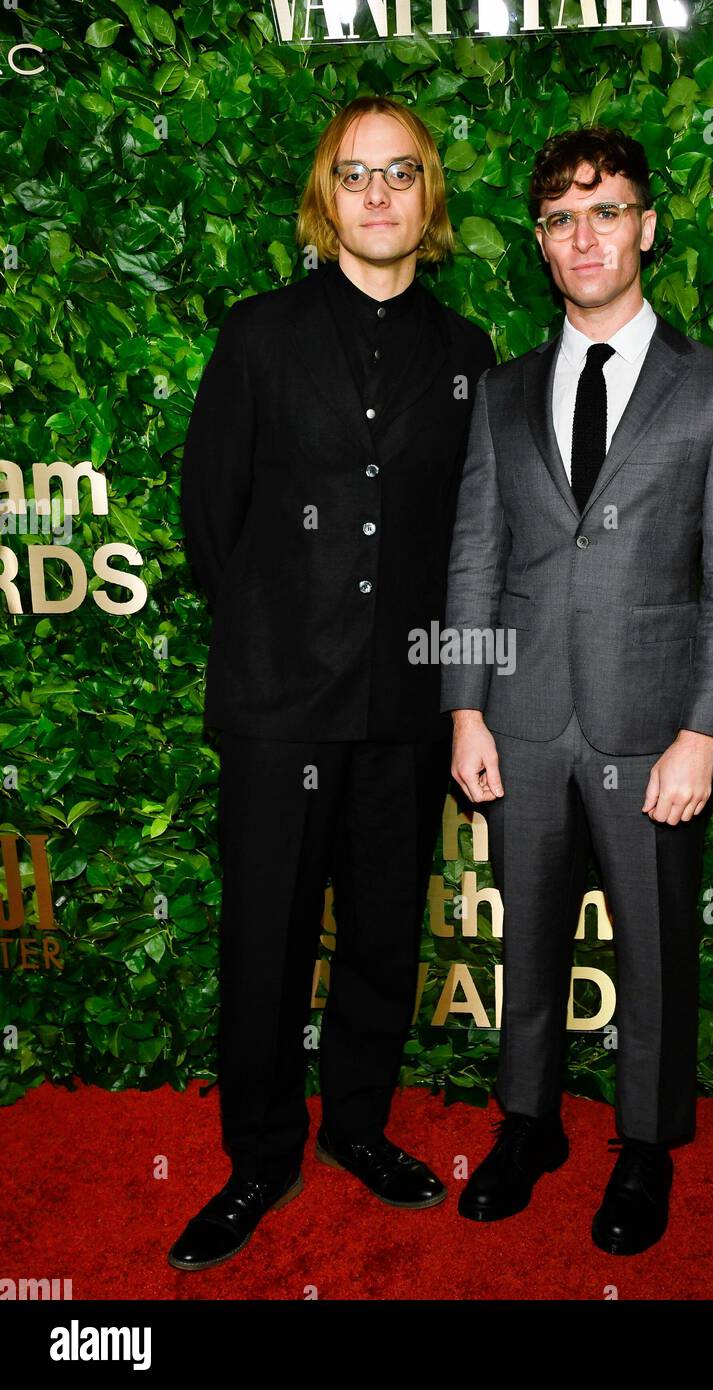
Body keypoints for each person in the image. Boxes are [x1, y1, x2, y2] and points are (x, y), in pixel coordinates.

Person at [170, 95, 496, 1271]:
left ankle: (358, 1126)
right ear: (325, 199)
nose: (376, 194)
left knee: (380, 936)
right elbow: (213, 523)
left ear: (428, 199)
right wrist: (285, 633)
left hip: (403, 709)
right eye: (353, 175)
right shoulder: (256, 336)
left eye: (399, 173)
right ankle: (259, 1153)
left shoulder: (466, 357)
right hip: (275, 704)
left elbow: (473, 537)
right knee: (263, 938)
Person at [442, 126, 713, 1255]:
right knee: (525, 939)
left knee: (655, 952)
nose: (585, 236)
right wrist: (466, 708)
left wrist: (703, 735)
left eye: (607, 211)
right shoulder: (501, 391)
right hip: (522, 720)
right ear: (542, 242)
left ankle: (644, 1147)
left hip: (652, 728)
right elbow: (473, 560)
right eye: (561, 219)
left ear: (644, 226)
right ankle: (528, 1125)